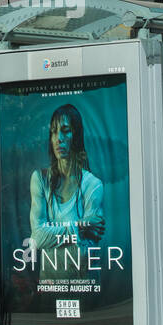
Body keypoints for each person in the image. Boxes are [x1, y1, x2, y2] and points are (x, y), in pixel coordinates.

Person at [29, 104, 104, 277]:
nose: (58, 138)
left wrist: (54, 233)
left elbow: (87, 251)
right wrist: (80, 225)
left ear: (76, 135)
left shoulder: (93, 185)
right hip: (50, 288)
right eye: (54, 132)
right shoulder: (40, 179)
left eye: (65, 130)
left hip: (84, 286)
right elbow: (38, 237)